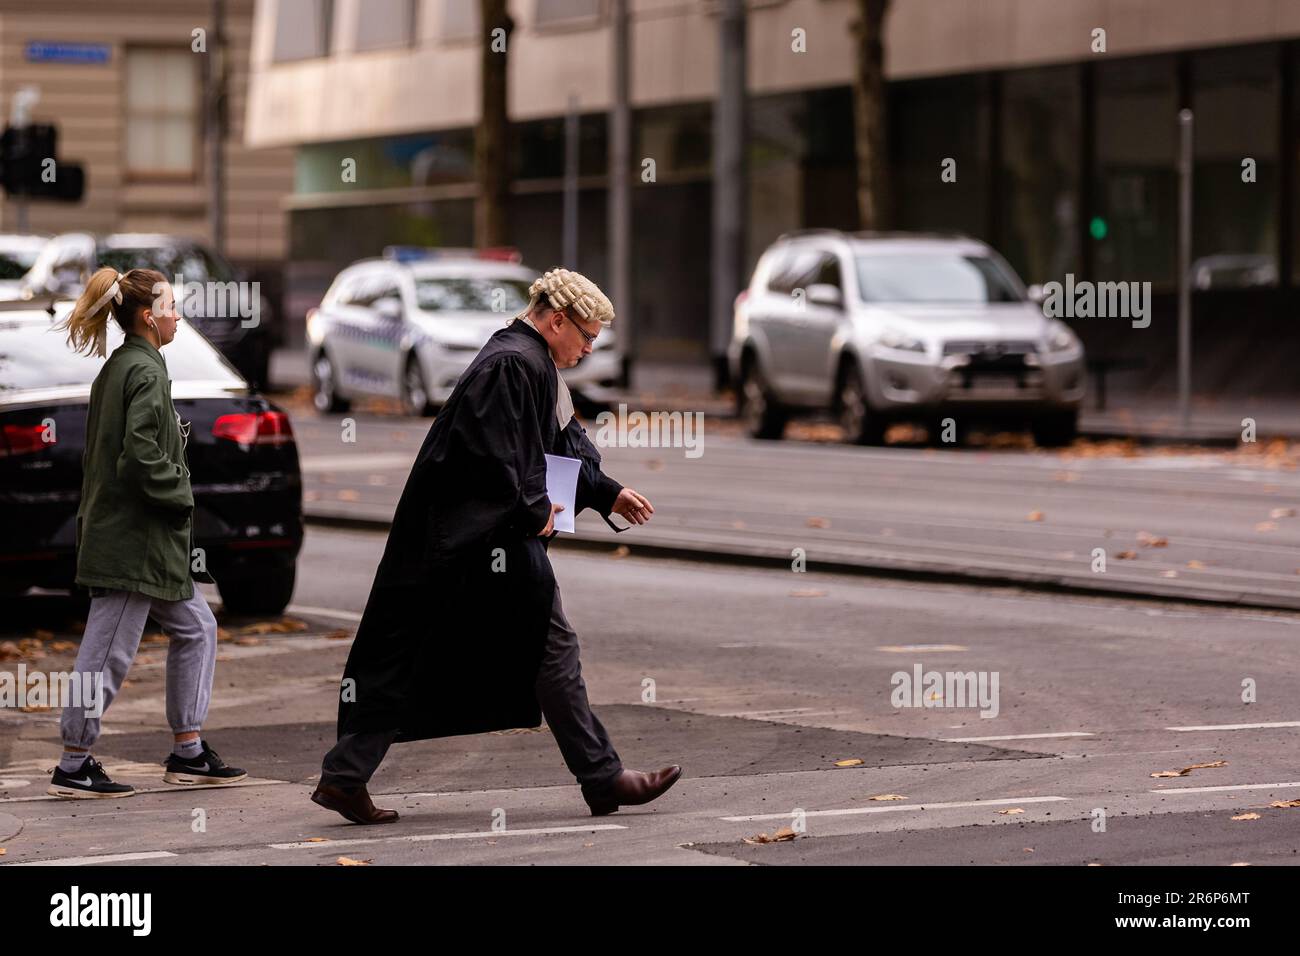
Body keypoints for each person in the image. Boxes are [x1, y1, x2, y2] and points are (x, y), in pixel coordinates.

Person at [312, 267, 680, 825]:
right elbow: (491, 457)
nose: (588, 349)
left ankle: (345, 777)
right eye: (586, 336)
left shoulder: (533, 364)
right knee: (542, 648)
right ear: (556, 320)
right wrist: (535, 511)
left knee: (422, 654)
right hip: (474, 543)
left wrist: (607, 492)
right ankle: (603, 778)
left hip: (477, 540)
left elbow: (560, 445)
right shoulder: (514, 363)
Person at [47, 267, 246, 799]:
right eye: (171, 307)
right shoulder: (144, 371)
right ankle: (73, 762)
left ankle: (189, 750)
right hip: (132, 539)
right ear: (147, 317)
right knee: (108, 650)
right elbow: (139, 455)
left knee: (197, 628)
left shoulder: (126, 366)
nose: (176, 315)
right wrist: (181, 496)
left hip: (146, 539)